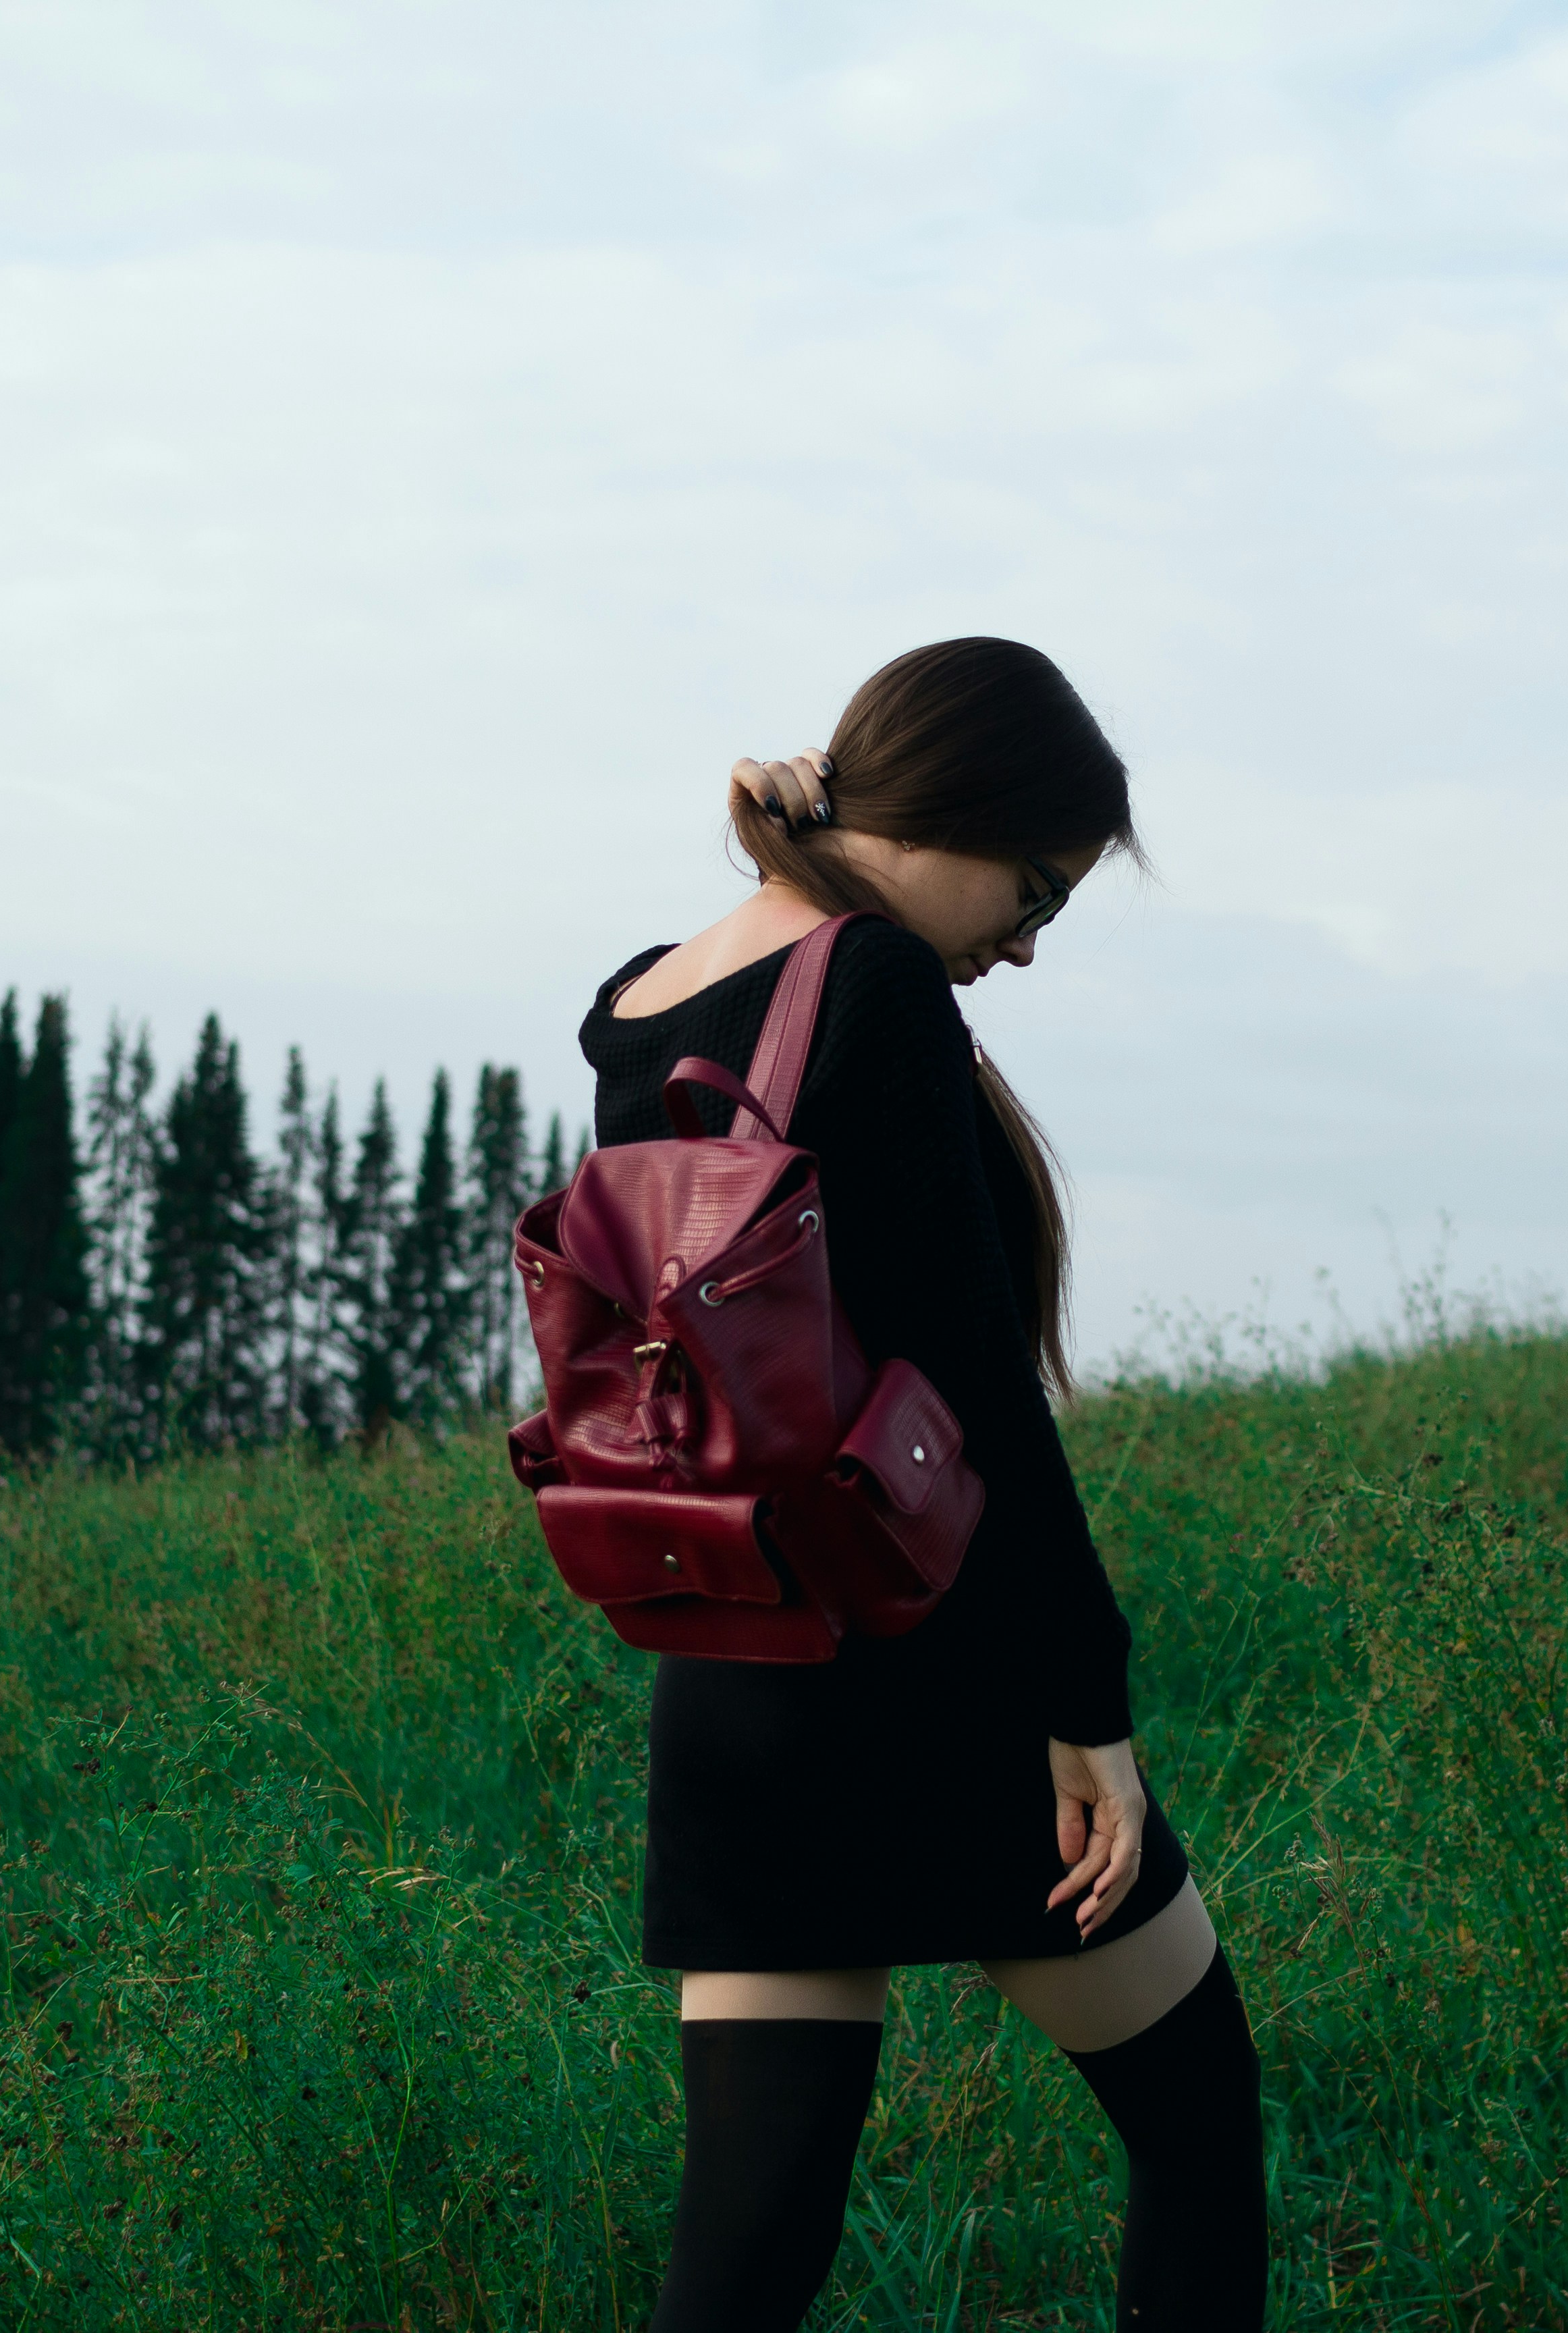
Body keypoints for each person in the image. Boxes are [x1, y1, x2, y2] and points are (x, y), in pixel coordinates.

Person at [578, 637, 1267, 2330]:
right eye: (1030, 886)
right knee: (1199, 2134)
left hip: (740, 1663)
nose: (1025, 942)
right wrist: (1086, 1708)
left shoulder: (640, 996)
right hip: (929, 1666)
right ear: (958, 805)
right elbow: (971, 1394)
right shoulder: (877, 984)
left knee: (745, 2254)